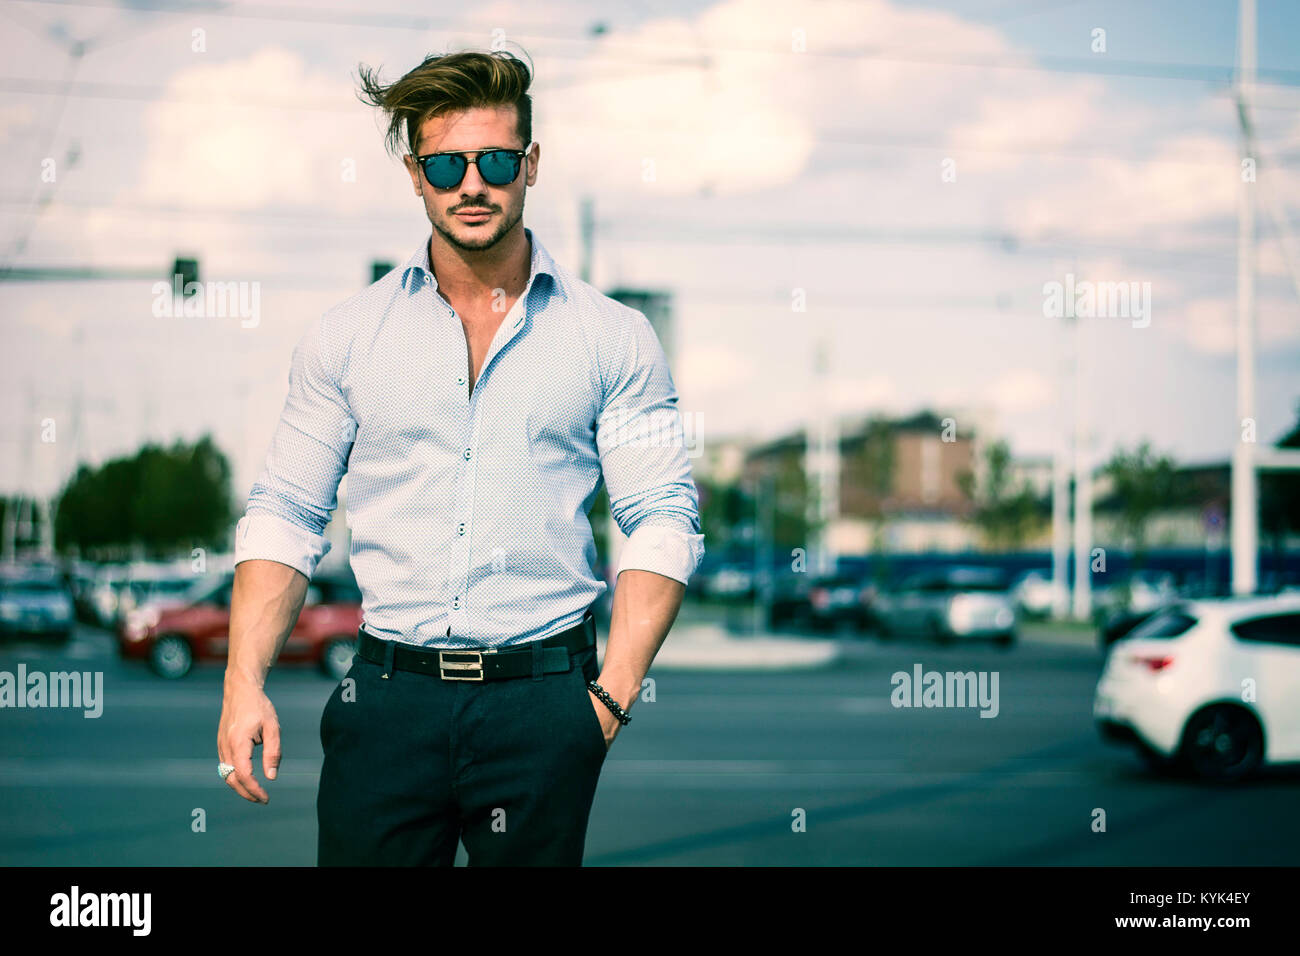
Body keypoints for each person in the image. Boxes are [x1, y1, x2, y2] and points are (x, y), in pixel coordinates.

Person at [214, 48, 704, 866]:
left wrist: (608, 701)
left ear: (531, 165)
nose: (470, 183)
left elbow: (661, 518)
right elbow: (285, 514)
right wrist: (241, 683)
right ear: (415, 175)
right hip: (387, 703)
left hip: (544, 703)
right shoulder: (346, 338)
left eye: (495, 160)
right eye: (445, 164)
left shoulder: (613, 338)